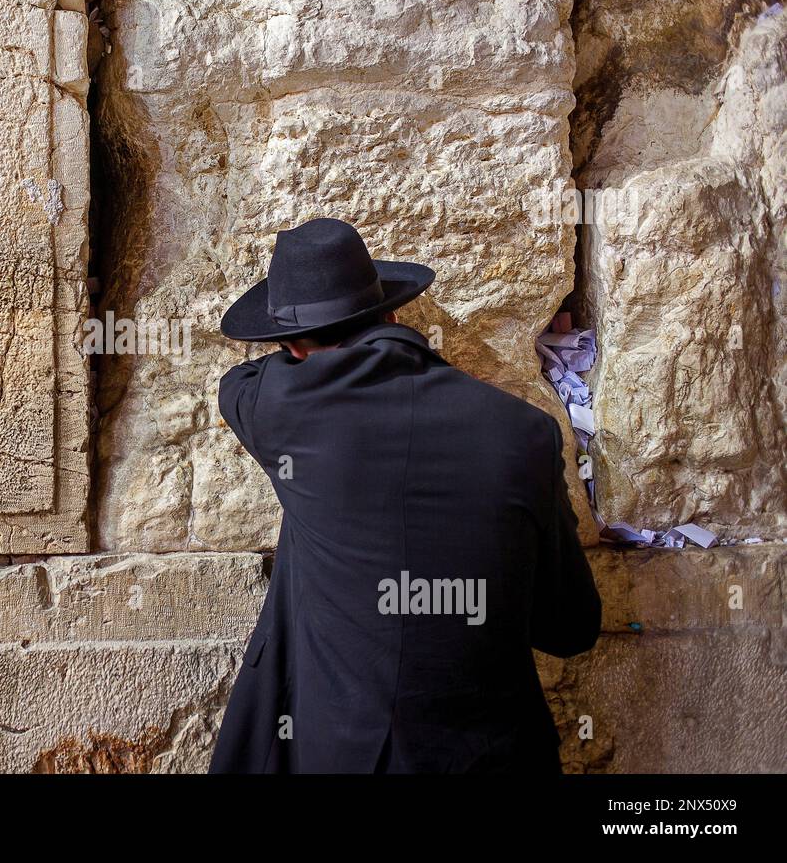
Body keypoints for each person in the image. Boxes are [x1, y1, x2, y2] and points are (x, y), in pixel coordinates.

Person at [209, 217, 601, 773]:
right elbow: (571, 627)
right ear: (393, 313)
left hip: (344, 756)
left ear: (292, 348)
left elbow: (238, 382)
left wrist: (314, 353)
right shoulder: (526, 432)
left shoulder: (280, 412)